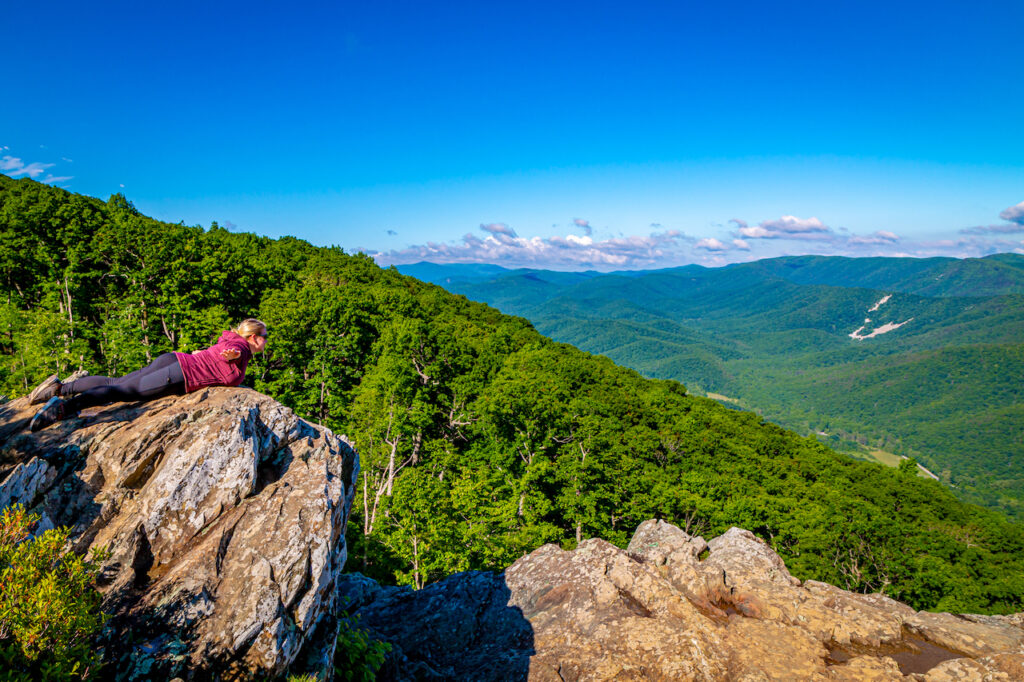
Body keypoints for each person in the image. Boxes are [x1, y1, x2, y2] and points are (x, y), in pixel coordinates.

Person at [28, 318, 268, 432]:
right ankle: (62, 409)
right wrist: (232, 356)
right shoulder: (241, 348)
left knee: (117, 382)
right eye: (265, 336)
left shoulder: (231, 339)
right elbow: (231, 353)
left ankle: (59, 389)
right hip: (178, 374)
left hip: (174, 359)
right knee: (120, 391)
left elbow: (214, 352)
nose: (266, 341)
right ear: (253, 337)